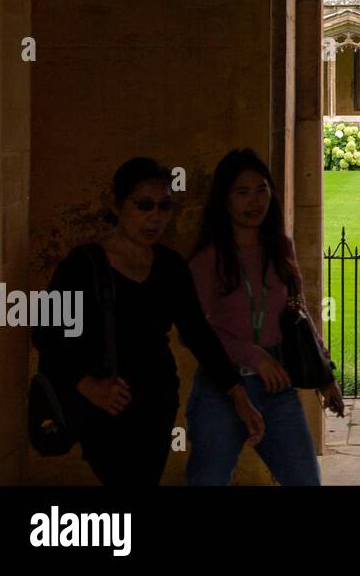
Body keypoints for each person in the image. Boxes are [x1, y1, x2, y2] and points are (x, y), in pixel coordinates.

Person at [34, 158, 264, 486]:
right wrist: (89, 385)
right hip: (104, 405)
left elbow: (199, 334)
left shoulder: (170, 267)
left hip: (156, 403)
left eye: (164, 206)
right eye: (144, 205)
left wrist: (239, 398)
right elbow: (47, 335)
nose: (155, 216)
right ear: (116, 204)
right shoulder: (82, 266)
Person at [186, 149, 343, 485]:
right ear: (224, 199)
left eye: (261, 190)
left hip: (277, 384)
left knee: (305, 480)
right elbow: (198, 329)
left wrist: (324, 375)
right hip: (223, 384)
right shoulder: (207, 258)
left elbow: (298, 314)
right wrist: (252, 355)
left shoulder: (281, 248)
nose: (254, 201)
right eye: (242, 192)